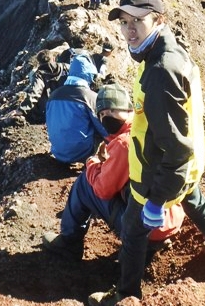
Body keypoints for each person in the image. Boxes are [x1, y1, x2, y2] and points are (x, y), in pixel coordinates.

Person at [88, 0, 205, 306]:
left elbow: (174, 147)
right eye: (124, 22)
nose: (129, 31)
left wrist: (155, 200)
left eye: (138, 22)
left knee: (133, 232)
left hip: (157, 174)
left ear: (158, 20)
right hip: (186, 167)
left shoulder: (159, 72)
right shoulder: (171, 51)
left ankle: (126, 297)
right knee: (196, 201)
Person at [42, 83, 184, 259]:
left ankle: (69, 241)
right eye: (101, 114)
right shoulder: (150, 129)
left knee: (85, 184)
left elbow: (103, 190)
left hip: (147, 227)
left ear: (127, 109)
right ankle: (154, 242)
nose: (106, 117)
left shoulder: (124, 143)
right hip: (169, 219)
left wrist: (92, 162)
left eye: (111, 111)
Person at [45, 52, 108, 164]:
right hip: (80, 153)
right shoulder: (89, 96)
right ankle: (99, 159)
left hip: (58, 152)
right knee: (100, 125)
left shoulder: (53, 95)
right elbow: (103, 128)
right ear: (88, 74)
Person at [19, 49, 68, 124]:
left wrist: (21, 109)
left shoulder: (39, 75)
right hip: (69, 106)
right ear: (54, 58)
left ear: (39, 63)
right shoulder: (66, 67)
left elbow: (35, 93)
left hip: (50, 111)